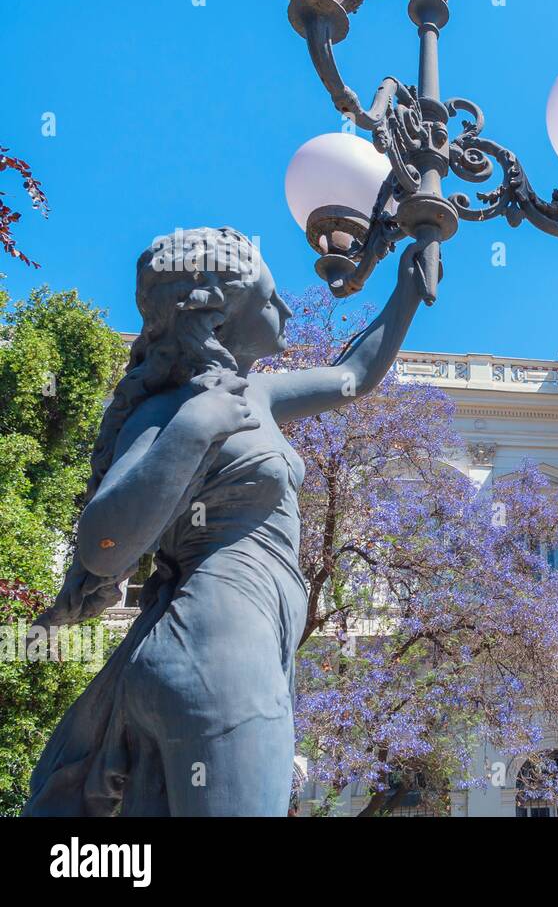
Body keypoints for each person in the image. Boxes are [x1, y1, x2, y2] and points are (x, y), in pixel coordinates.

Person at [24, 226, 425, 816]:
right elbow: (104, 547)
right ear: (215, 319)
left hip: (228, 649)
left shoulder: (252, 395)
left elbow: (354, 377)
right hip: (218, 654)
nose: (285, 307)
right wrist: (191, 431)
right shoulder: (171, 411)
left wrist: (409, 285)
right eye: (269, 297)